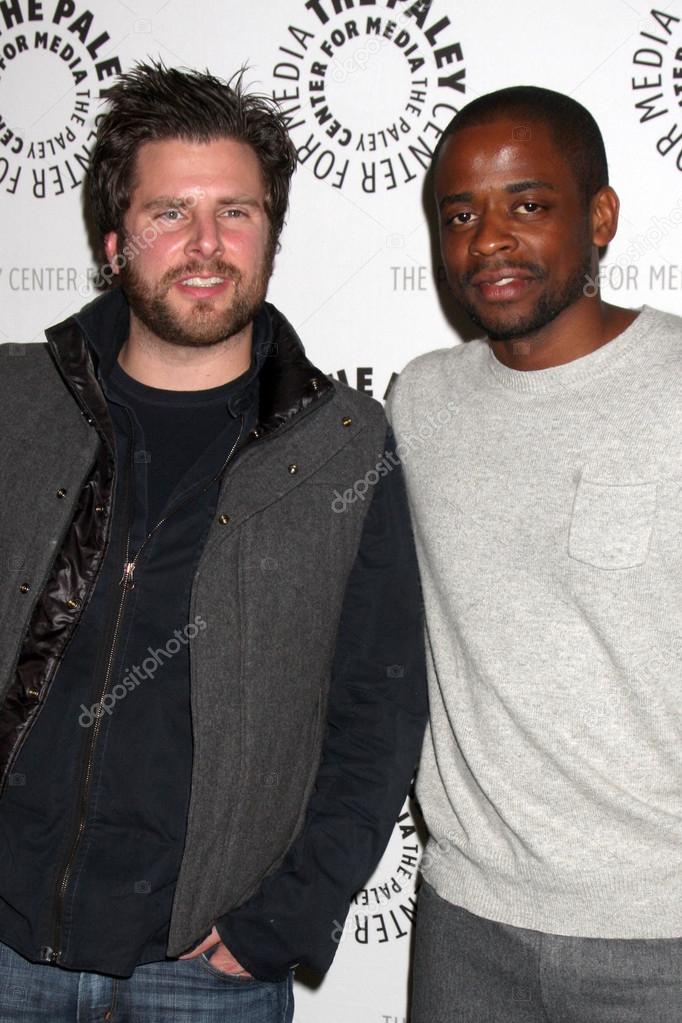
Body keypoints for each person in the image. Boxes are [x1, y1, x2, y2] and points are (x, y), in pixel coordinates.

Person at [0, 62, 427, 1022]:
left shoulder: (342, 443)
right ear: (114, 242)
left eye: (236, 212)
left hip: (205, 969)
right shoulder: (14, 404)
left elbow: (381, 706)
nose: (204, 244)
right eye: (168, 214)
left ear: (271, 235)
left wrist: (288, 916)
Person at [387, 85, 682, 1022]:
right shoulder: (419, 404)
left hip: (663, 936)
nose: (488, 241)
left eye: (528, 204)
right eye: (460, 214)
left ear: (600, 216)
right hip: (466, 924)